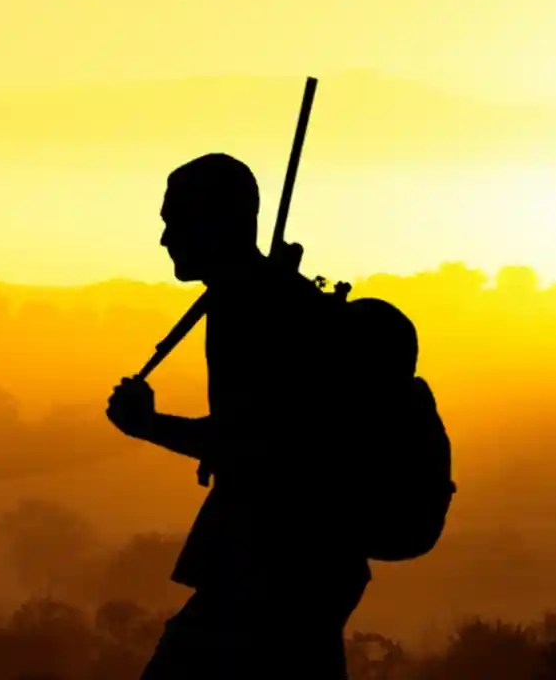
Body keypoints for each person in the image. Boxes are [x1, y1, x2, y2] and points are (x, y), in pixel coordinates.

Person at [106, 153, 370, 678]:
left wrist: (149, 426)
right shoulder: (258, 300)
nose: (164, 240)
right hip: (308, 563)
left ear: (218, 224)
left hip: (275, 564)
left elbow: (254, 445)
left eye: (174, 222)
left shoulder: (253, 310)